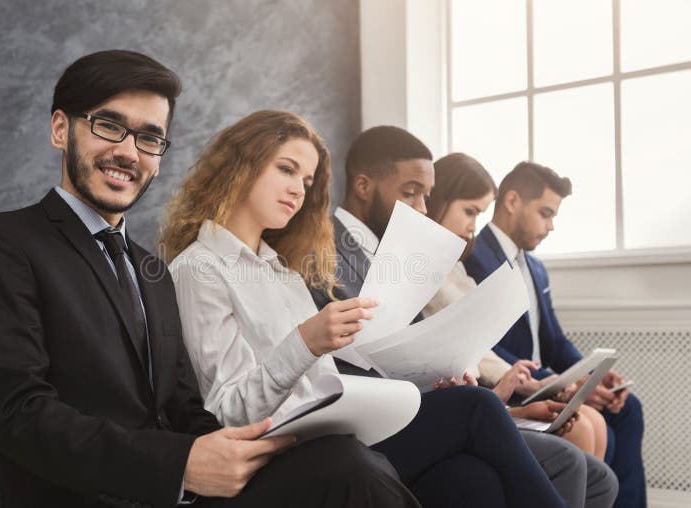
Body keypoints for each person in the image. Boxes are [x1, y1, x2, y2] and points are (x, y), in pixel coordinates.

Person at [0, 50, 420, 508]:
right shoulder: (3, 244)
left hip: (180, 489)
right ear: (61, 129)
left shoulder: (148, 270)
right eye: (109, 126)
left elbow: (185, 408)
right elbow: (20, 414)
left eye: (150, 138)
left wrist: (242, 447)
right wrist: (180, 466)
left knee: (351, 461)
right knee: (350, 470)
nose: (128, 152)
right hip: (94, 493)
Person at [164, 112, 566, 508]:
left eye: (306, 181)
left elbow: (323, 387)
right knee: (478, 406)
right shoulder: (199, 269)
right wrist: (305, 343)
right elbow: (226, 413)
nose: (298, 191)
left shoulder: (284, 270)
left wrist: (423, 378)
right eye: (286, 169)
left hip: (331, 434)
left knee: (471, 479)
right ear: (241, 165)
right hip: (283, 456)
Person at [312, 129, 617, 508]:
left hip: (410, 404)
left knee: (496, 474)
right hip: (366, 421)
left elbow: (401, 344)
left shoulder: (394, 252)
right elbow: (338, 362)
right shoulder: (321, 249)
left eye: (425, 196)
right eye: (410, 193)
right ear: (362, 185)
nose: (422, 209)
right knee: (487, 429)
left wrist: (441, 371)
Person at [463, 160, 646, 508]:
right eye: (545, 213)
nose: (551, 226)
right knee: (594, 424)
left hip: (547, 379)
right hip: (512, 386)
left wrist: (593, 378)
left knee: (628, 408)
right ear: (512, 201)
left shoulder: (535, 266)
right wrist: (564, 385)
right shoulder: (473, 257)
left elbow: (556, 341)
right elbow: (488, 348)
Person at [425, 152, 610, 461]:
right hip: (480, 390)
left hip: (506, 382)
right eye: (470, 211)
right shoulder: (467, 259)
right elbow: (480, 343)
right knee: (582, 429)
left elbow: (552, 339)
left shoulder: (466, 266)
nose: (473, 226)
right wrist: (531, 382)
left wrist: (585, 375)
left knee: (604, 419)